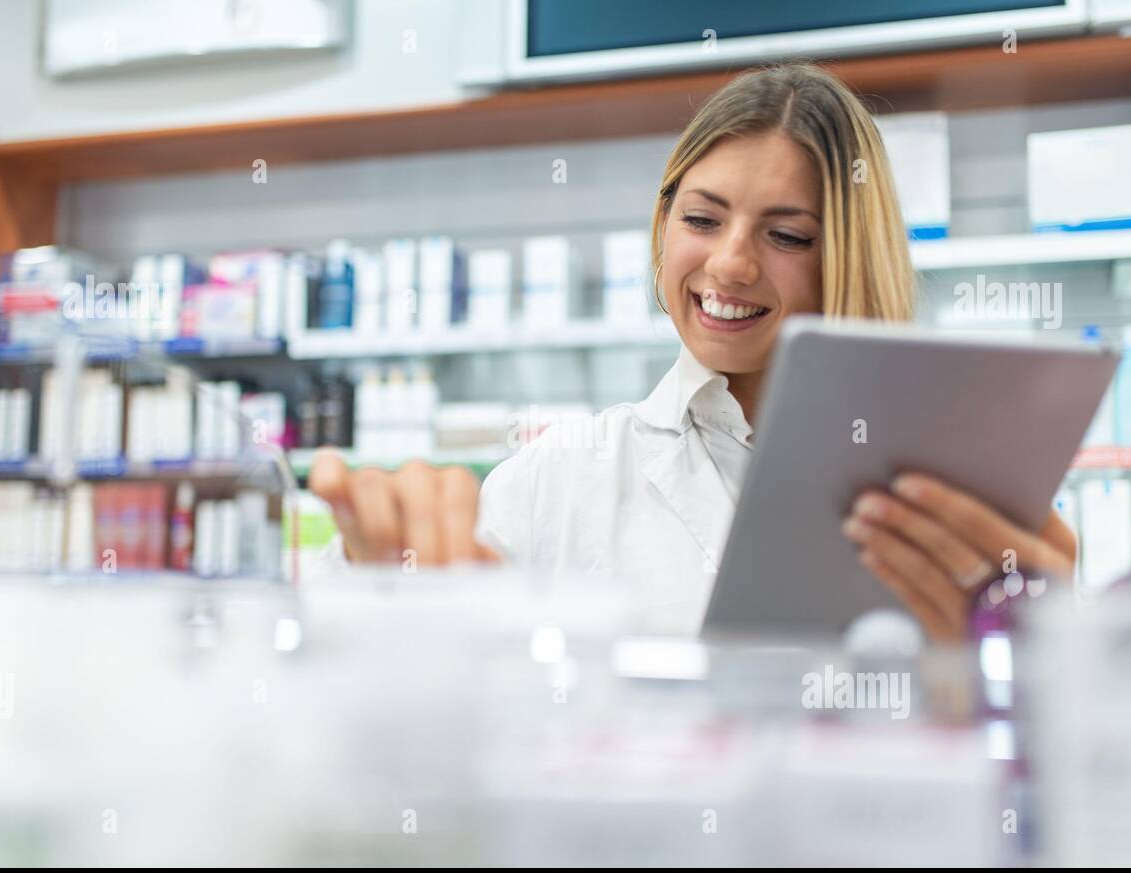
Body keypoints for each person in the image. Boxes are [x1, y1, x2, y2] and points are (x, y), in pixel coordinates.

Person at [309, 63, 1076, 640]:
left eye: (787, 236)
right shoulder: (561, 476)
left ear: (850, 254)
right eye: (703, 219)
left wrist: (1033, 645)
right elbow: (376, 660)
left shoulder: (953, 497)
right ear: (662, 223)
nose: (731, 264)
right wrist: (383, 570)